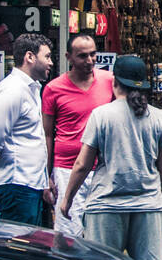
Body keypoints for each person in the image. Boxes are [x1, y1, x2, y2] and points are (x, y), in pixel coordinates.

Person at [60, 54, 162, 260]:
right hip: (148, 205)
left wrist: (68, 198)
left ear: (115, 82)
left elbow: (83, 164)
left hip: (105, 206)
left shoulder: (102, 115)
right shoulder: (158, 117)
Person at [0, 33, 54, 226]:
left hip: (28, 184)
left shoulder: (31, 89)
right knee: (21, 246)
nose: (51, 63)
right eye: (47, 56)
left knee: (29, 245)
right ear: (30, 57)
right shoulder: (13, 91)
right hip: (17, 184)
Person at [43, 34, 115, 237]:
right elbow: (47, 134)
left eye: (93, 54)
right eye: (83, 56)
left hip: (102, 167)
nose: (90, 60)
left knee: (102, 232)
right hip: (66, 168)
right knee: (68, 234)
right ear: (69, 57)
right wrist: (46, 175)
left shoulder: (109, 81)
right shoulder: (53, 88)